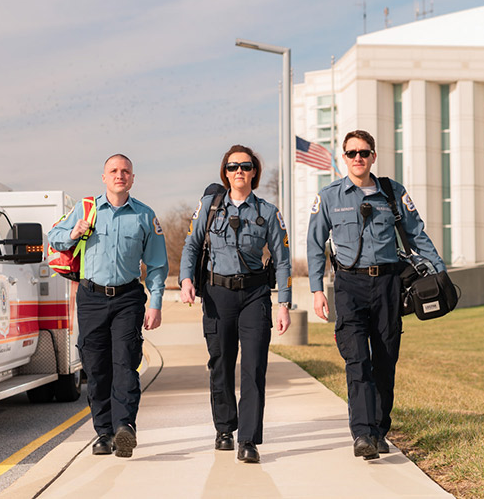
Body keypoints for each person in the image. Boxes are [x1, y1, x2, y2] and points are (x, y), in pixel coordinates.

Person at [307, 130, 446, 460]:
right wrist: (316, 289)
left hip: (388, 285)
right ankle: (362, 433)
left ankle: (380, 429)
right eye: (352, 153)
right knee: (357, 360)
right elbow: (314, 244)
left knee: (385, 359)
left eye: (364, 152)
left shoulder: (392, 192)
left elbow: (416, 234)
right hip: (348, 286)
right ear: (344, 158)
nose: (358, 158)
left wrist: (439, 273)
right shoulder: (328, 197)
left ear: (373, 156)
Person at [47, 154, 168, 458]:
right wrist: (73, 233)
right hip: (91, 297)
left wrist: (155, 303)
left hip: (128, 298)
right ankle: (103, 432)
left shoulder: (144, 215)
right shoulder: (86, 210)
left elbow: (156, 265)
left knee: (126, 363)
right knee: (96, 368)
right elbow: (54, 237)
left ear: (132, 178)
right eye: (113, 171)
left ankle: (125, 426)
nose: (119, 175)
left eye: (125, 171)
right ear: (104, 177)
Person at [179, 145, 292, 464]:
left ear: (254, 171)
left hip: (255, 295)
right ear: (224, 173)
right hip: (218, 295)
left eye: (245, 166)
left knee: (254, 366)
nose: (238, 171)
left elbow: (282, 261)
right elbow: (190, 245)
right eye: (232, 167)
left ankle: (248, 439)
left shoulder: (269, 212)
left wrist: (283, 303)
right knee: (221, 364)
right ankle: (225, 429)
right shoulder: (209, 206)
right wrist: (187, 280)